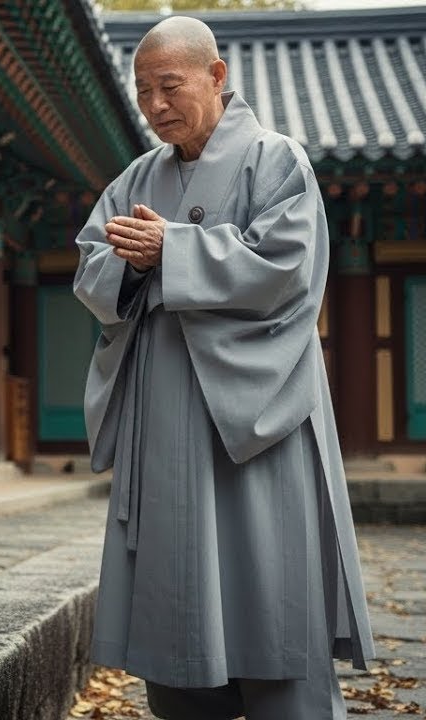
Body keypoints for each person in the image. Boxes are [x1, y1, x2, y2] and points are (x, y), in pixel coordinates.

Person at [72, 16, 374, 720]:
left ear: (215, 76)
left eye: (169, 86)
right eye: (143, 92)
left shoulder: (277, 161)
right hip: (164, 423)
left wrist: (172, 250)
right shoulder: (136, 177)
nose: (154, 107)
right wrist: (130, 260)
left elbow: (287, 268)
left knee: (269, 587)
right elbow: (94, 262)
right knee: (176, 604)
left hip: (252, 422)